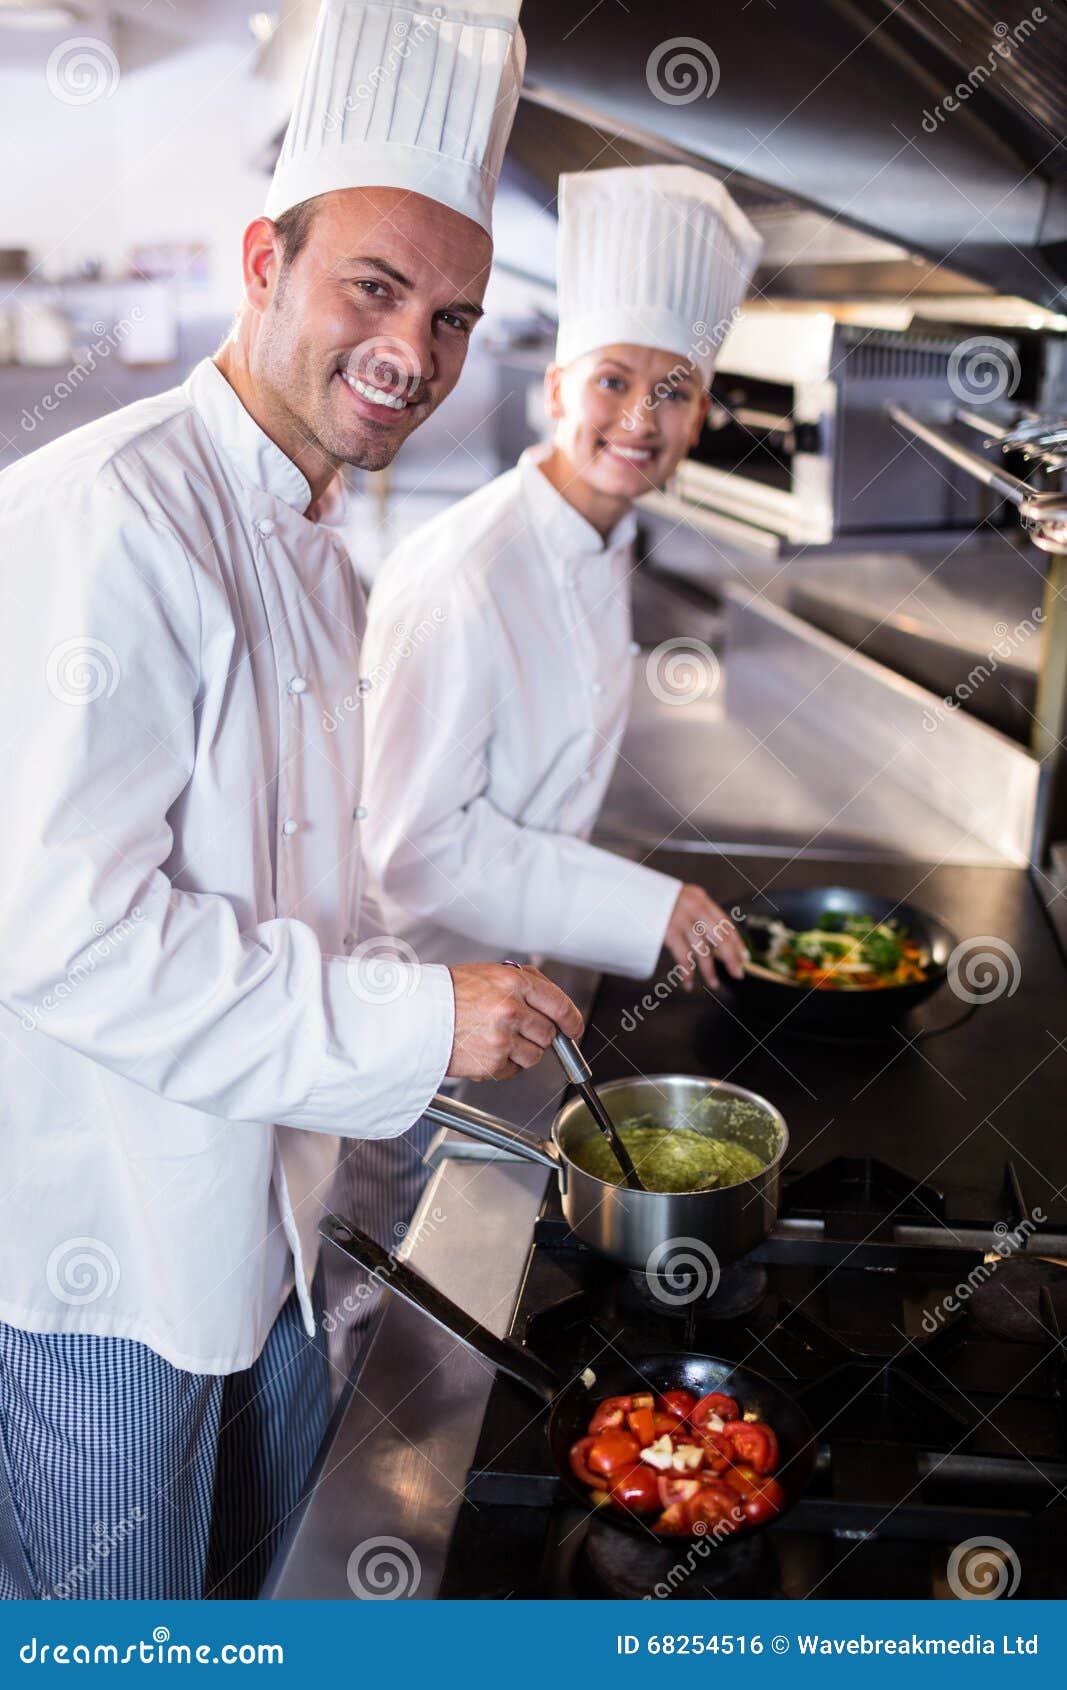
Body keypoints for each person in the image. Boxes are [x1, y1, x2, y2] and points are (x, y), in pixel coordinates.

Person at [0, 0, 581, 1602]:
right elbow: (66, 938)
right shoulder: (105, 519)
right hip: (109, 1273)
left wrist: (423, 1054)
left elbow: (308, 894)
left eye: (455, 316)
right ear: (264, 263)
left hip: (275, 1230)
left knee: (260, 1616)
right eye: (374, 287)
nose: (415, 351)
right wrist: (411, 1027)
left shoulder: (322, 547)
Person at [326, 165, 763, 1361]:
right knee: (383, 1337)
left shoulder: (593, 542)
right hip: (414, 1027)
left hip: (508, 1008)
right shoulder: (466, 569)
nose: (639, 417)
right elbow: (413, 848)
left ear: (702, 407)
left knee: (447, 1321)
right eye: (612, 381)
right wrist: (646, 902)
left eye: (671, 391)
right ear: (556, 389)